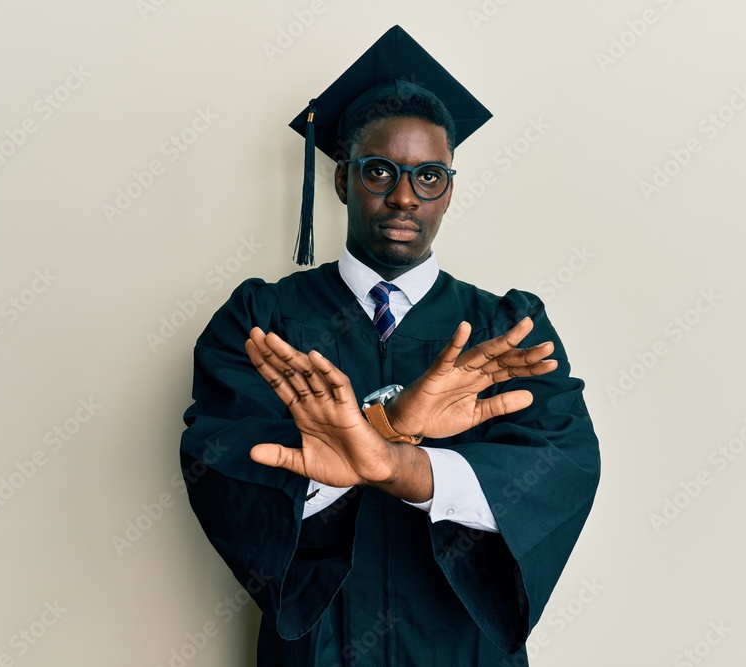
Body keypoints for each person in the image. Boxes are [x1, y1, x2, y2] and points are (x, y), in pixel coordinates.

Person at [180, 25, 601, 666]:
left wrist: (389, 463)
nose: (404, 195)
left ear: (449, 191)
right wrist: (387, 433)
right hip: (322, 649)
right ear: (344, 181)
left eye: (429, 176)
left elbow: (562, 469)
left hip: (462, 648)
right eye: (381, 171)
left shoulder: (504, 329)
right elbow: (222, 464)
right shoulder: (263, 320)